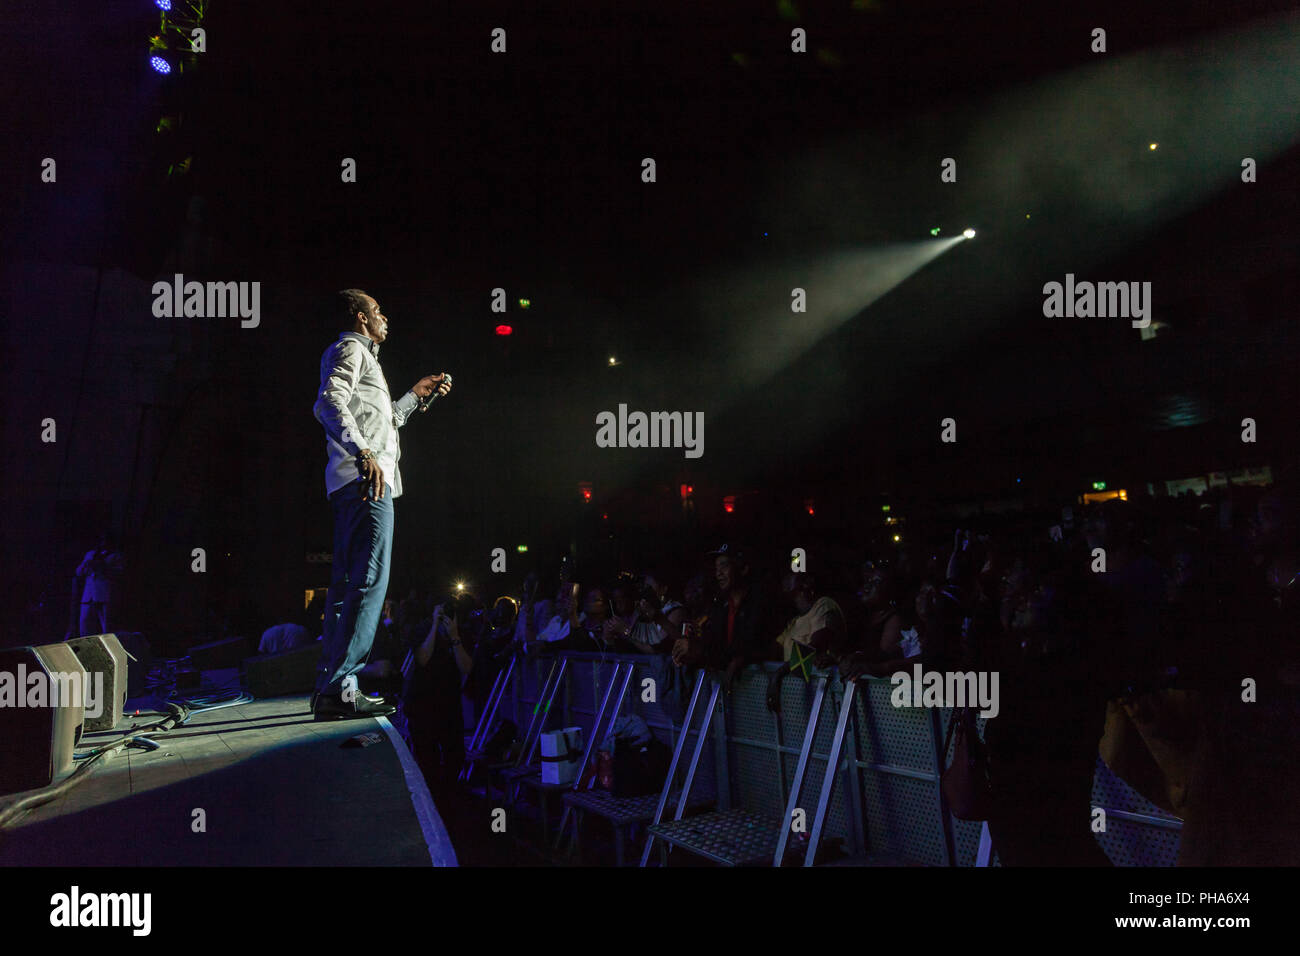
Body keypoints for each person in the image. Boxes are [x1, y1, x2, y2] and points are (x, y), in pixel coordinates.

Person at [310, 289, 452, 720]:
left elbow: (380, 419)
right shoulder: (349, 349)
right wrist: (364, 453)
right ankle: (340, 686)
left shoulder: (363, 356)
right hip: (367, 483)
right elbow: (328, 403)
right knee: (370, 581)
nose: (384, 316)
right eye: (377, 311)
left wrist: (414, 395)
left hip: (353, 483)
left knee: (347, 587)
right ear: (360, 317)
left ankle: (330, 685)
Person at [75, 532, 123, 636]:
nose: (102, 542)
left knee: (107, 627)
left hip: (104, 595)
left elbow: (118, 574)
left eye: (105, 540)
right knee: (84, 625)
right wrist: (86, 562)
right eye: (101, 540)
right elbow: (79, 573)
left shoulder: (116, 556)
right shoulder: (90, 554)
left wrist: (102, 566)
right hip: (88, 596)